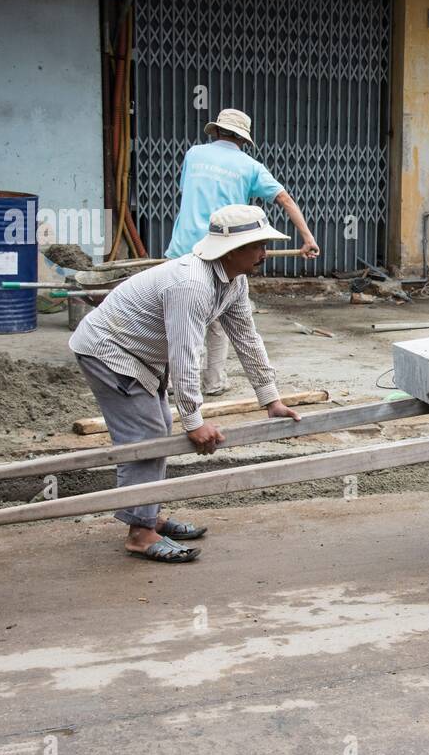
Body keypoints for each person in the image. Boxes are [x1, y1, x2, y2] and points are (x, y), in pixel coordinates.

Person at [70, 205, 304, 563]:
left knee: (160, 428)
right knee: (146, 436)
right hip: (109, 349)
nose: (264, 253)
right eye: (256, 245)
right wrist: (194, 421)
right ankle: (140, 534)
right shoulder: (191, 284)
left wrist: (270, 398)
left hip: (141, 354)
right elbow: (186, 354)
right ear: (231, 249)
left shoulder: (234, 282)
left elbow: (247, 338)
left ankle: (147, 513)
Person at [167, 108, 320, 396]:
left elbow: (186, 191)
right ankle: (213, 381)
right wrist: (307, 238)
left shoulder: (194, 154)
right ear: (243, 138)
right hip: (226, 252)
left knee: (183, 319)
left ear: (218, 131)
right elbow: (284, 198)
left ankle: (177, 383)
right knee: (222, 319)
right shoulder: (250, 166)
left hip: (183, 249)